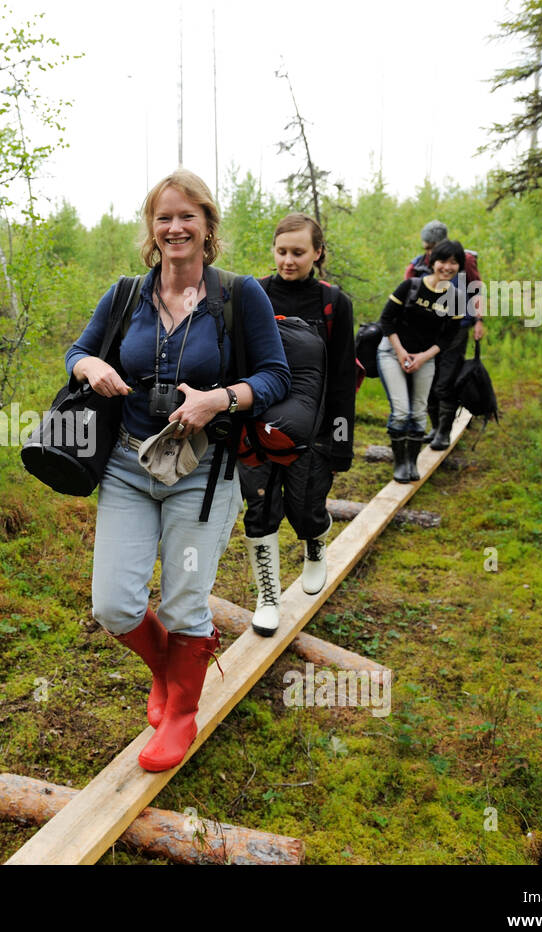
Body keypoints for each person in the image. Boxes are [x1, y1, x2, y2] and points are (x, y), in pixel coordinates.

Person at [65, 169, 290, 773]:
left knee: (186, 598)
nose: (175, 227)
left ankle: (182, 713)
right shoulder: (125, 295)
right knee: (114, 605)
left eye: (187, 216)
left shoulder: (240, 295)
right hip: (128, 465)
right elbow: (78, 350)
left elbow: (276, 376)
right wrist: (90, 368)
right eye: (164, 217)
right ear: (151, 228)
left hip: (204, 470)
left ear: (208, 225)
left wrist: (220, 398)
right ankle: (170, 667)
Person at [239, 214, 356, 637]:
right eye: (282, 251)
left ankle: (315, 538)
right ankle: (267, 597)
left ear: (318, 253)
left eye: (299, 252)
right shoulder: (253, 294)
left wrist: (341, 442)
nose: (288, 260)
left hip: (315, 433)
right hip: (255, 427)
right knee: (259, 509)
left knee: (304, 509)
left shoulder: (333, 303)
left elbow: (343, 376)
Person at [378, 238, 467, 482]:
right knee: (401, 411)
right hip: (392, 351)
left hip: (425, 357)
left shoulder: (456, 297)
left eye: (454, 263)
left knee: (418, 412)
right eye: (442, 261)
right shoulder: (410, 286)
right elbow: (386, 320)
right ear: (432, 261)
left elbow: (450, 336)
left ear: (459, 266)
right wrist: (401, 353)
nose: (447, 267)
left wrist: (424, 357)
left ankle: (411, 462)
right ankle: (399, 464)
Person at [405, 220, 485, 449]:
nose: (430, 253)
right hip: (428, 329)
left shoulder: (465, 260)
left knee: (445, 380)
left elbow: (476, 288)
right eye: (427, 248)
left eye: (434, 247)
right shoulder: (418, 265)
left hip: (458, 327)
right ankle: (435, 426)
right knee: (429, 379)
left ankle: (444, 432)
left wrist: (479, 319)